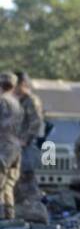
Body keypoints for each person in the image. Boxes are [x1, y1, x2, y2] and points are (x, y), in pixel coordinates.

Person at [13, 72, 45, 213]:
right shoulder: (16, 100)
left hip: (26, 147)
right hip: (15, 146)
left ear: (22, 84)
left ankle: (37, 211)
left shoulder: (31, 100)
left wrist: (25, 140)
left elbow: (36, 123)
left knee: (27, 179)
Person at [0, 73, 23, 219]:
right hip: (15, 147)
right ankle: (10, 221)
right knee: (7, 186)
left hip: (3, 146)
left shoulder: (2, 101)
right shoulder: (16, 103)